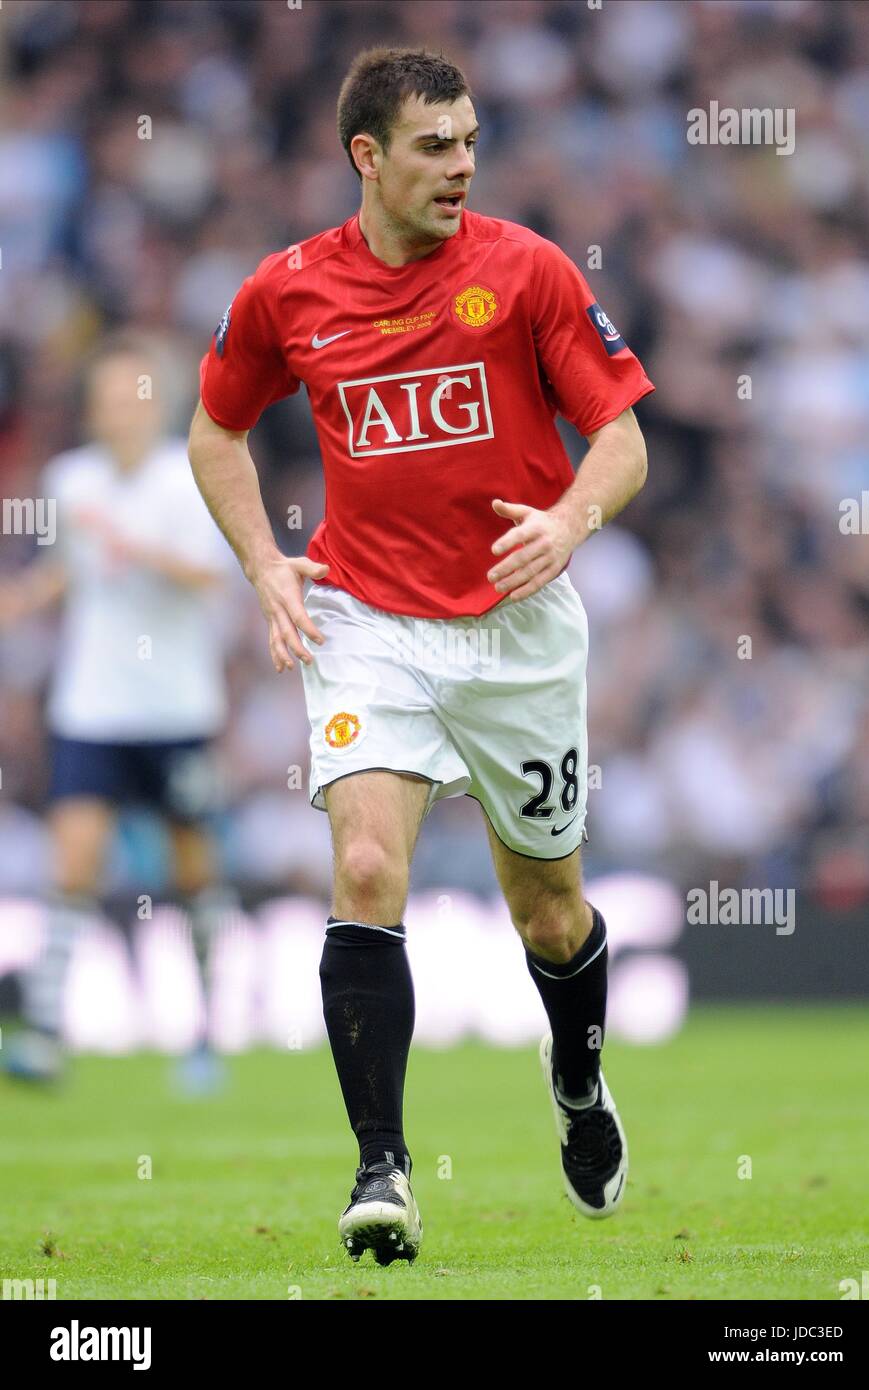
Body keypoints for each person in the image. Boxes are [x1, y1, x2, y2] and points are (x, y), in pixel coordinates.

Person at [188, 47, 653, 1265]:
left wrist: (568, 519)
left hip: (515, 629)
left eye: (468, 140)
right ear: (367, 157)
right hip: (366, 621)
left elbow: (620, 437)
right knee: (362, 863)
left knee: (548, 913)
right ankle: (380, 1166)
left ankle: (575, 1085)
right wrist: (262, 562)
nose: (460, 164)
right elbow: (216, 429)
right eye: (434, 144)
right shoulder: (286, 291)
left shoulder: (526, 269)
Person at [0, 336, 235, 1089]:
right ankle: (42, 1033)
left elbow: (208, 574)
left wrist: (132, 546)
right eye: (101, 398)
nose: (111, 412)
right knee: (72, 861)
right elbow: (64, 567)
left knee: (193, 869)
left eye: (124, 397)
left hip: (175, 707)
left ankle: (204, 1032)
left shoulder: (186, 478)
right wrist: (22, 598)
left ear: (153, 404)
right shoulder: (73, 480)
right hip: (92, 703)